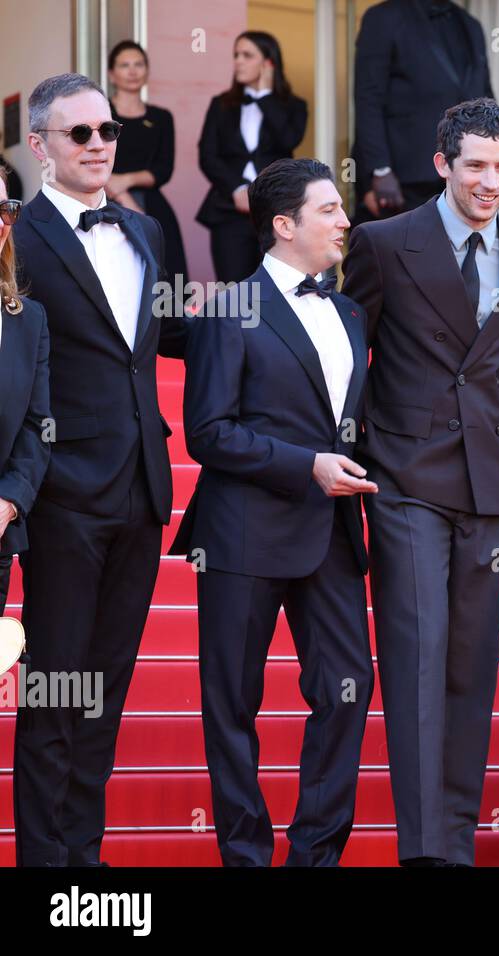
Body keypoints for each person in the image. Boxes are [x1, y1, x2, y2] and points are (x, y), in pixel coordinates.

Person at [341, 98, 499, 867]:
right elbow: (348, 354)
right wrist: (352, 448)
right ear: (442, 164)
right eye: (476, 166)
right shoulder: (383, 242)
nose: (491, 181)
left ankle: (455, 846)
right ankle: (424, 850)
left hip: (489, 484)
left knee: (471, 666)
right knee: (418, 658)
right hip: (404, 477)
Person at [170, 158, 373, 867]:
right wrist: (306, 464)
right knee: (232, 703)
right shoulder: (230, 308)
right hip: (242, 533)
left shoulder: (349, 312)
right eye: (329, 210)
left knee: (348, 690)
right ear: (284, 225)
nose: (344, 221)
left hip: (334, 535)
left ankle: (315, 854)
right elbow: (208, 432)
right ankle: (245, 855)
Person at [12, 73, 188, 867]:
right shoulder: (20, 240)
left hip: (141, 488)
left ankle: (84, 854)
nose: (97, 145)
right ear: (40, 144)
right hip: (60, 492)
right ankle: (46, 862)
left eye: (107, 131)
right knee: (56, 686)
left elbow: (160, 342)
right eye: (78, 132)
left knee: (106, 687)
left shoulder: (145, 232)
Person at [352, 0, 493, 221]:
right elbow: (368, 99)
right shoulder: (383, 18)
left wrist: (492, 166)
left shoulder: (471, 25)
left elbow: (485, 100)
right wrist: (379, 170)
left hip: (460, 176)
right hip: (402, 181)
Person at [197, 31, 307, 284]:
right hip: (228, 210)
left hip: (274, 211)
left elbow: (288, 141)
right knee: (233, 291)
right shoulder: (220, 104)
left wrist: (265, 96)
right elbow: (208, 155)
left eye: (247, 55)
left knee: (275, 287)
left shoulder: (294, 106)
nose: (238, 61)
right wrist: (236, 189)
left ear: (268, 63)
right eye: (236, 55)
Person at [0, 180, 50, 616]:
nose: (1, 221)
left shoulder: (27, 319)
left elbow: (37, 425)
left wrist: (9, 502)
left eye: (6, 209)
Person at [107, 40, 188, 293]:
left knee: (169, 282)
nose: (132, 71)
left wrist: (124, 181)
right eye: (124, 65)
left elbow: (163, 170)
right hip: (106, 204)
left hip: (152, 205)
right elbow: (92, 160)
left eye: (139, 64)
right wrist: (121, 195)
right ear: (111, 74)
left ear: (147, 70)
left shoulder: (161, 117)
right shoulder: (102, 114)